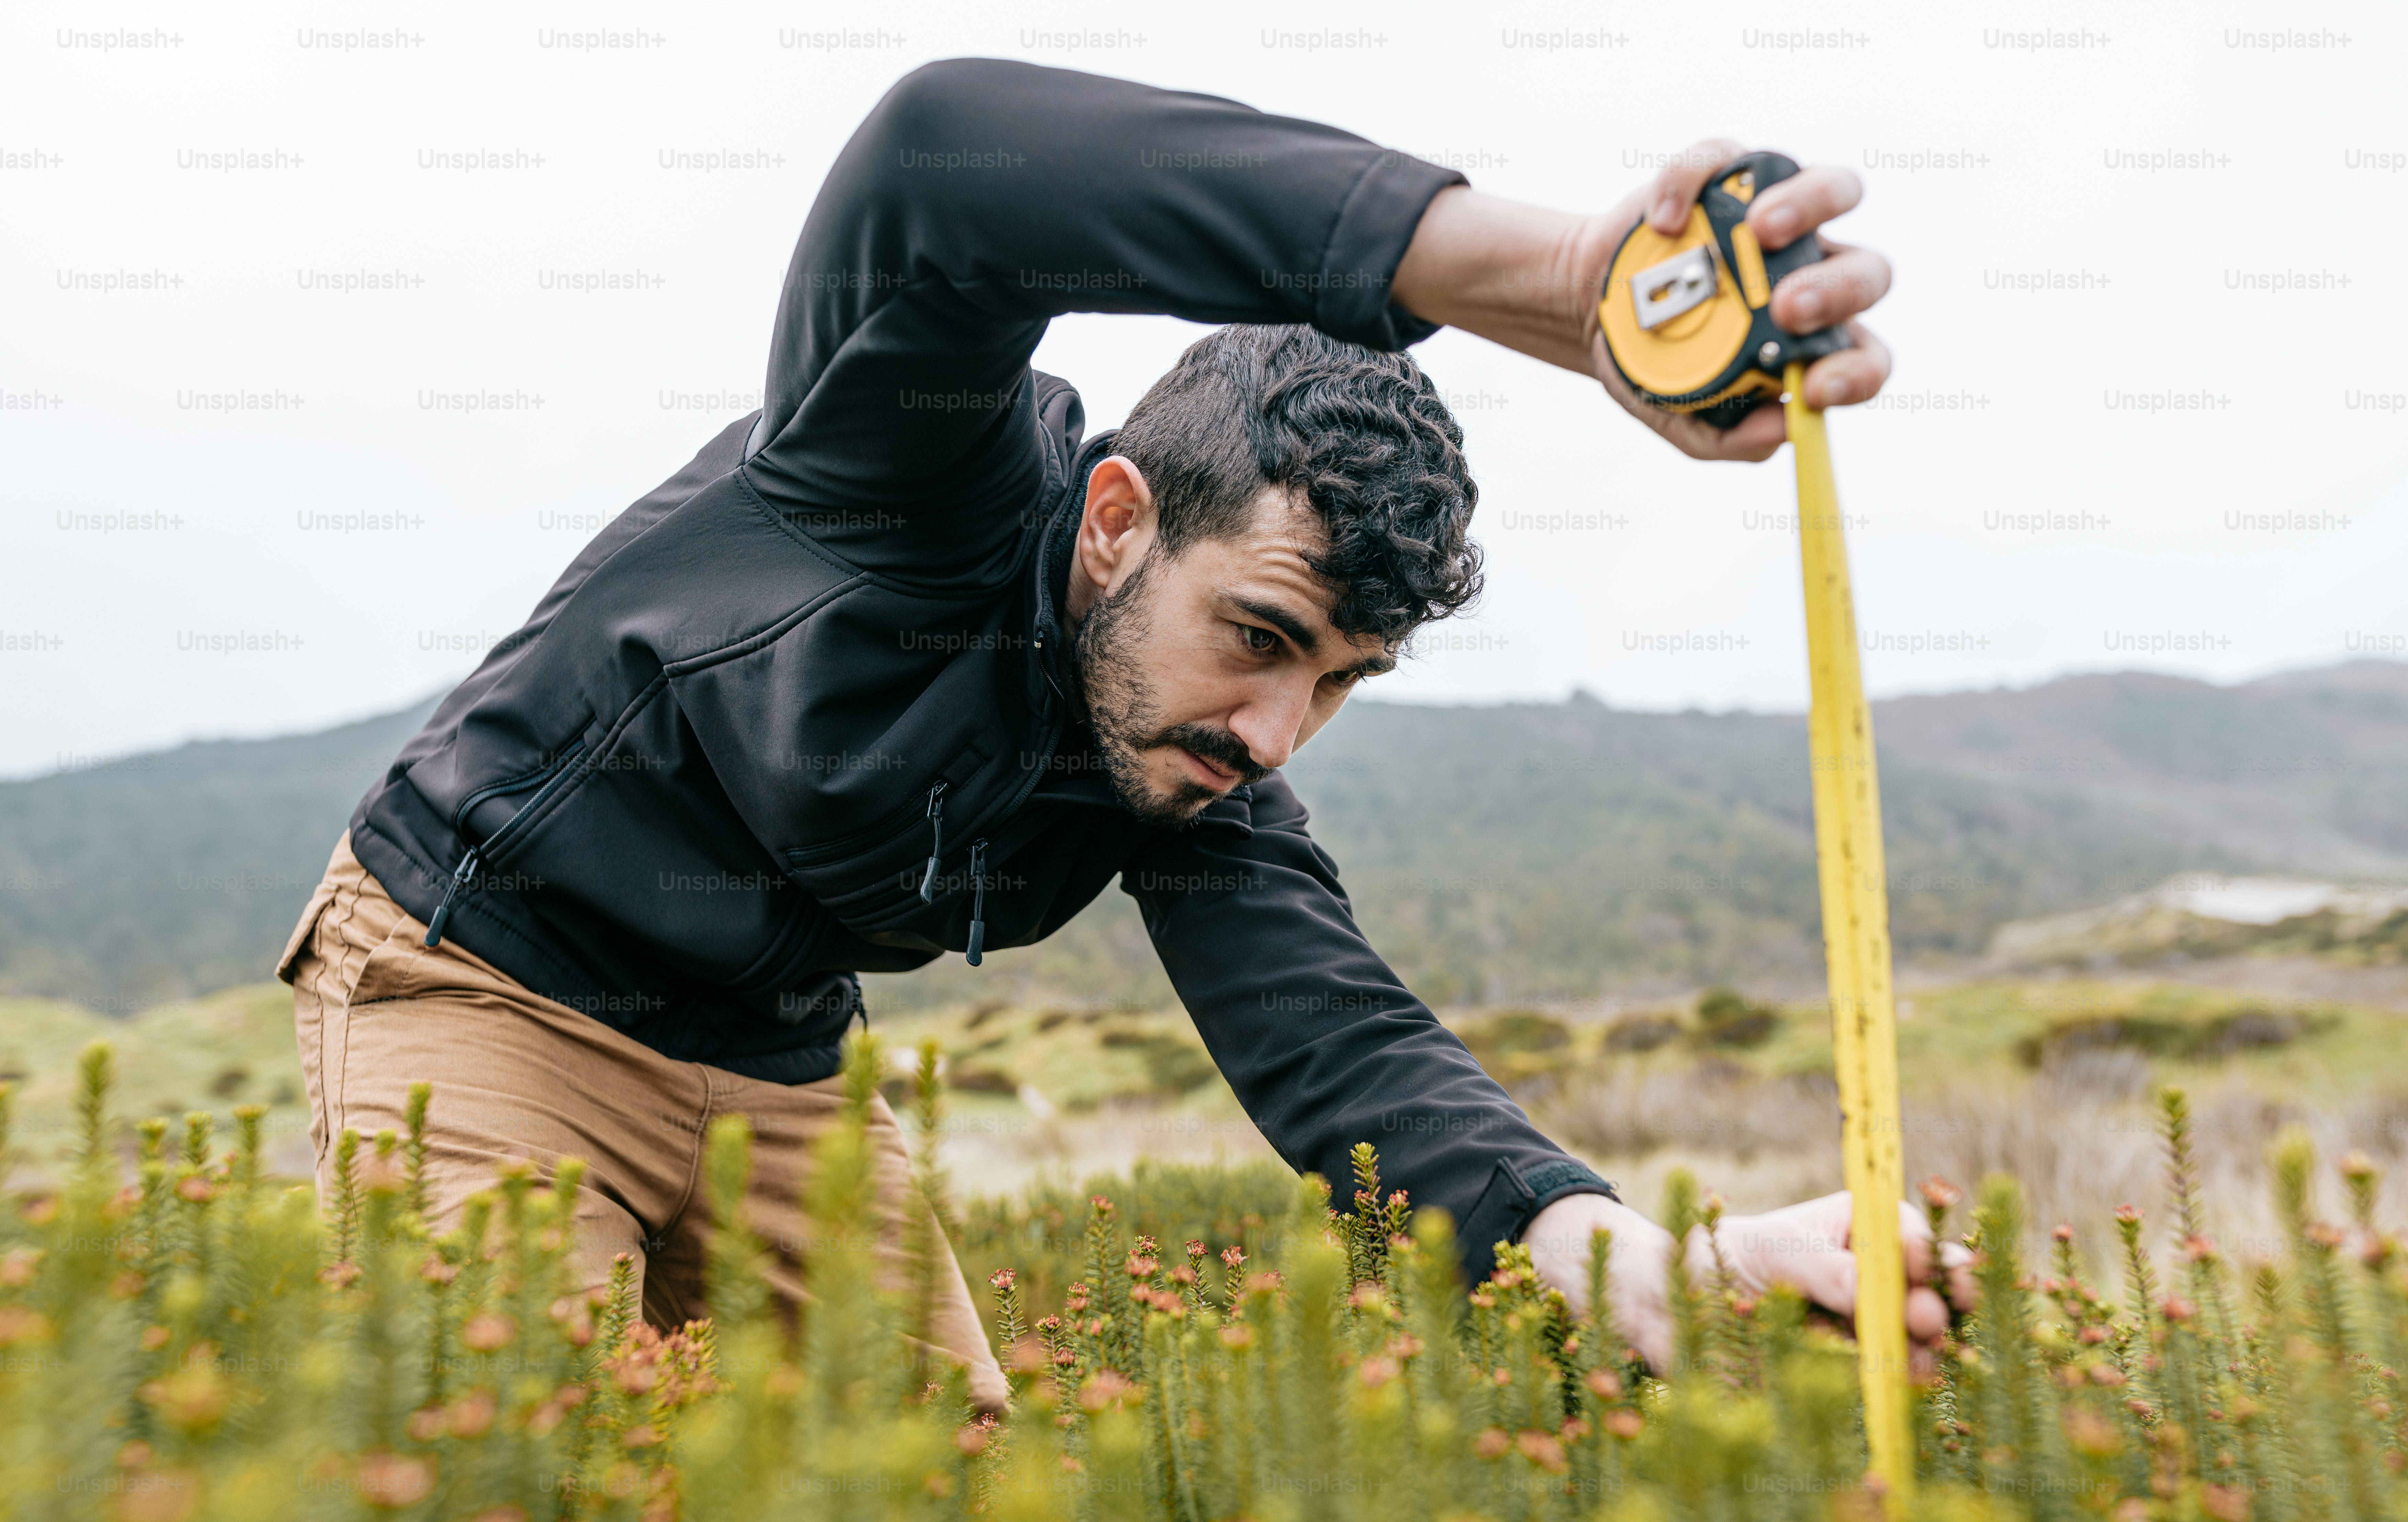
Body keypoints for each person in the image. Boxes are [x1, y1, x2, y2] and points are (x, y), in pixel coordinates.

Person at [280, 57, 1965, 1411]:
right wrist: (1555, 280)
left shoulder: (1189, 759)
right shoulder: (906, 472)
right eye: (1261, 637)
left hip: (773, 1052)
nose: (1278, 731)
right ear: (1114, 521)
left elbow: (1344, 1049)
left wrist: (1632, 1255)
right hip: (480, 970)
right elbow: (946, 160)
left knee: (967, 1518)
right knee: (523, 1475)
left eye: (1340, 682)